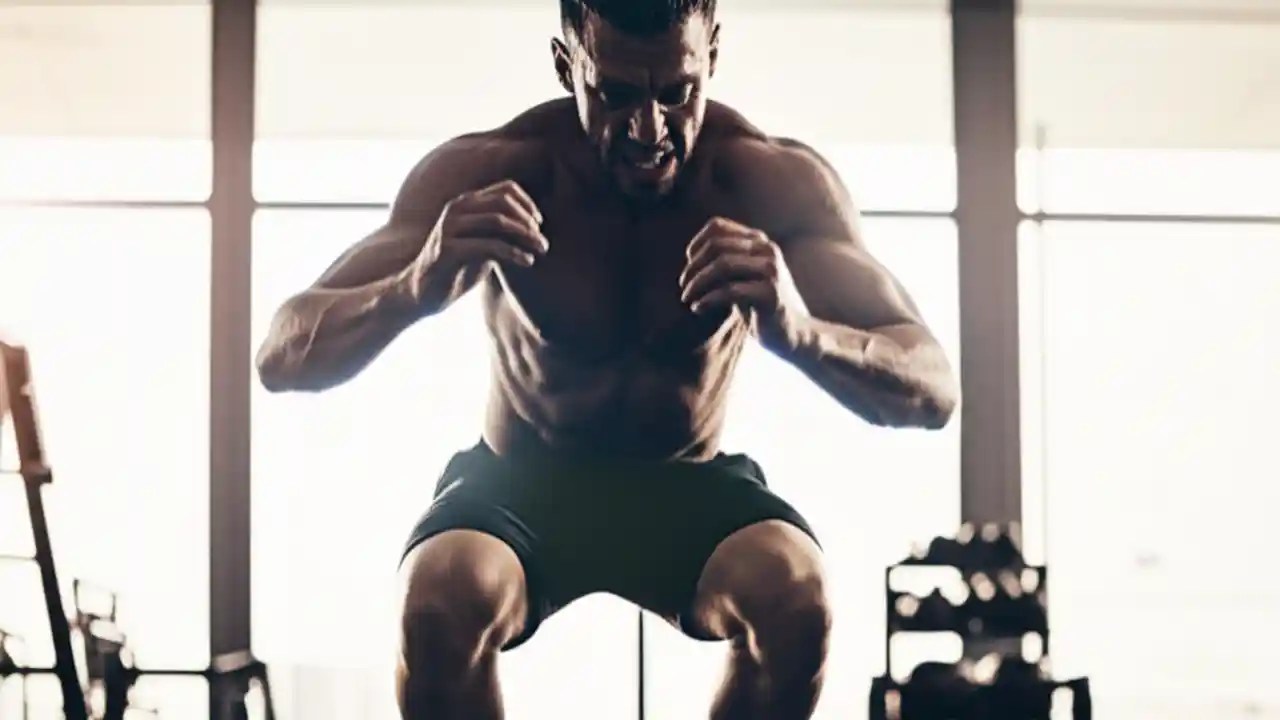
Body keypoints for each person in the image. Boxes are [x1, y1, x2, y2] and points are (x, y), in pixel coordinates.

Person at [255, 0, 959, 717]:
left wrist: (802, 333)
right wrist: (414, 286)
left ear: (711, 54)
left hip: (683, 485)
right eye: (616, 95)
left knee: (796, 594)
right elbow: (282, 354)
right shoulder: (496, 170)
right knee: (438, 598)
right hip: (519, 485)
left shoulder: (767, 184)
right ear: (569, 67)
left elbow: (932, 387)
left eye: (677, 93)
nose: (649, 130)